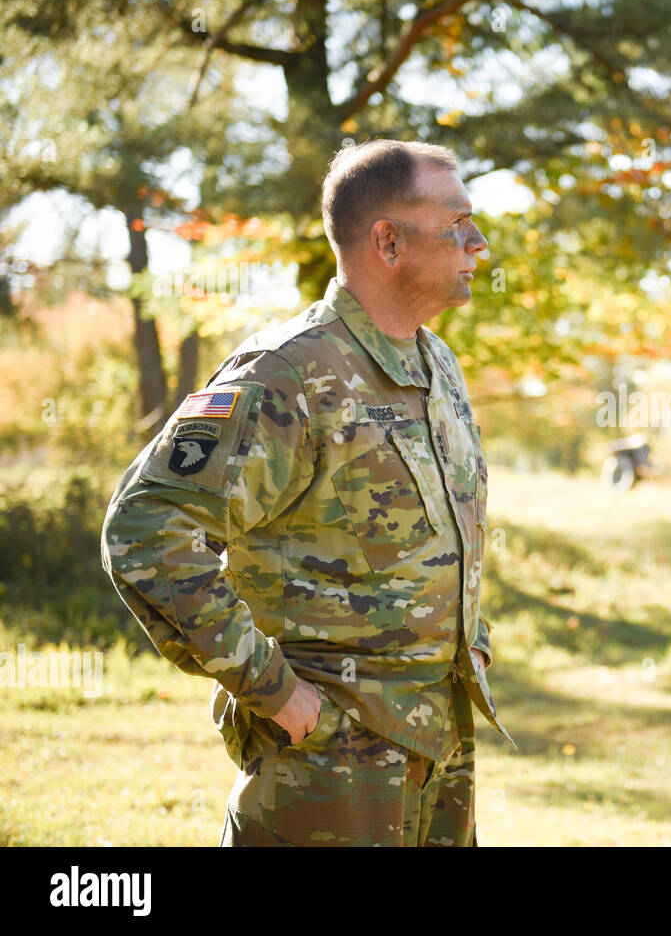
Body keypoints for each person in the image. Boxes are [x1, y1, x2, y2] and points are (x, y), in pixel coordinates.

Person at [101, 139, 511, 846]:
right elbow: (147, 529)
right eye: (457, 224)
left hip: (441, 750)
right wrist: (276, 692)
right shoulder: (290, 373)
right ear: (387, 241)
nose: (477, 242)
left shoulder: (436, 362)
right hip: (328, 769)